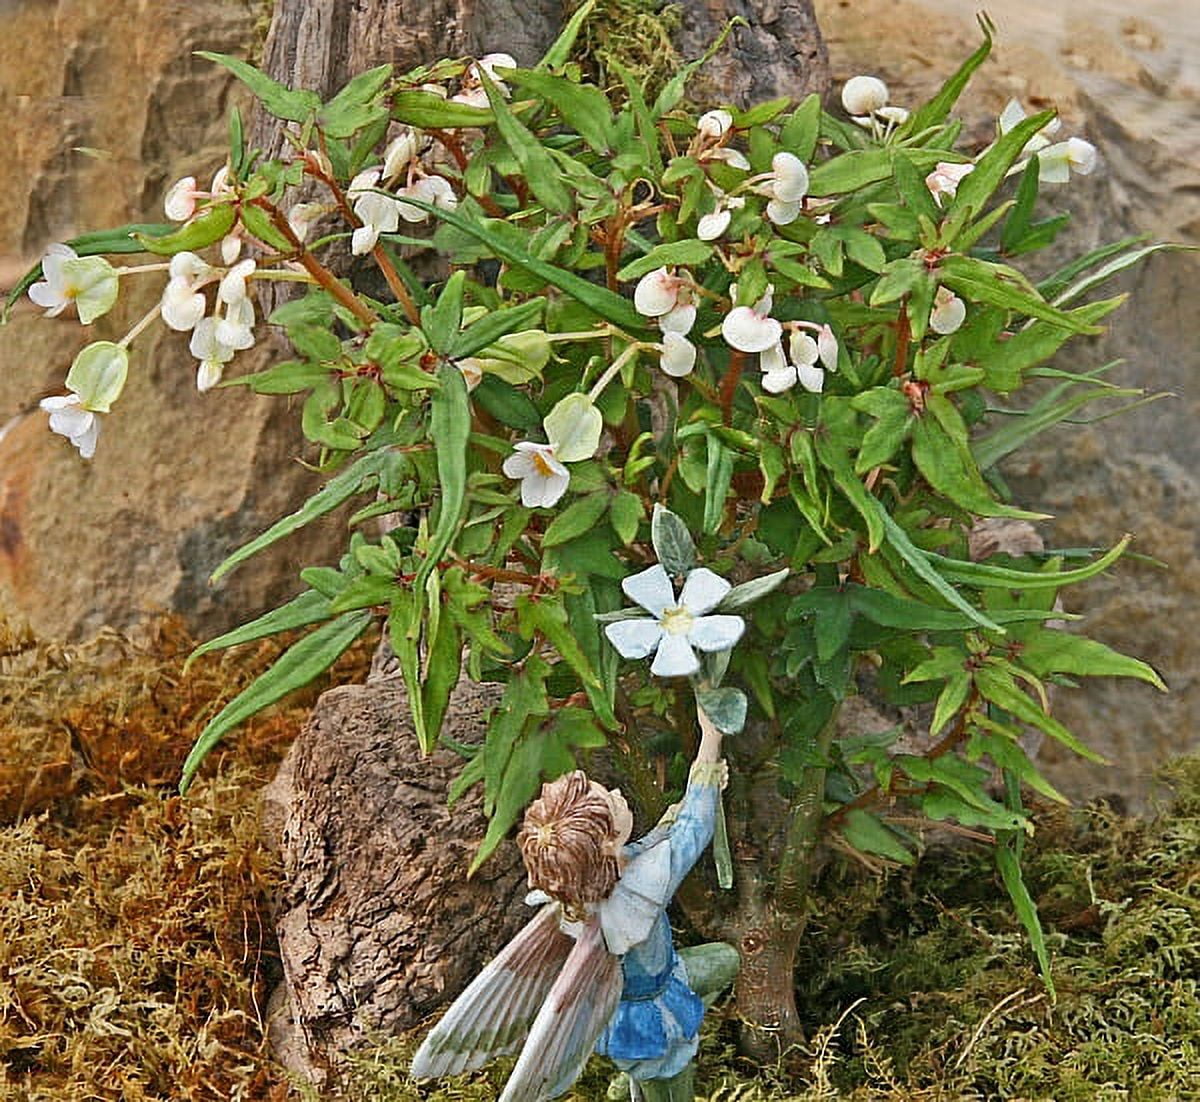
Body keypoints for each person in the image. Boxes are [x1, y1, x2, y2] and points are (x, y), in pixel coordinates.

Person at [411, 704, 739, 1102]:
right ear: (605, 844)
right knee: (671, 1082)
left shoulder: (586, 886)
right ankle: (644, 1076)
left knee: (724, 961)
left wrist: (670, 820)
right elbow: (694, 834)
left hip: (647, 988)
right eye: (611, 803)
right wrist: (710, 743)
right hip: (648, 1011)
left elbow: (647, 847)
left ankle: (634, 1077)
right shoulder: (634, 894)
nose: (617, 793)